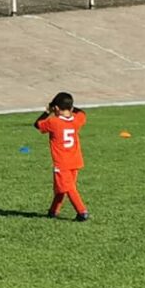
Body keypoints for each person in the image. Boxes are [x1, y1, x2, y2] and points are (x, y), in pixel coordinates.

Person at [34, 92, 90, 221]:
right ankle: (53, 211)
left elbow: (37, 124)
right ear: (71, 108)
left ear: (56, 108)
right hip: (75, 160)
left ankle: (82, 212)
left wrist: (48, 112)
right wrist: (71, 106)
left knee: (69, 188)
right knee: (62, 188)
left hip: (62, 163)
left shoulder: (53, 122)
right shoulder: (77, 120)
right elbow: (82, 113)